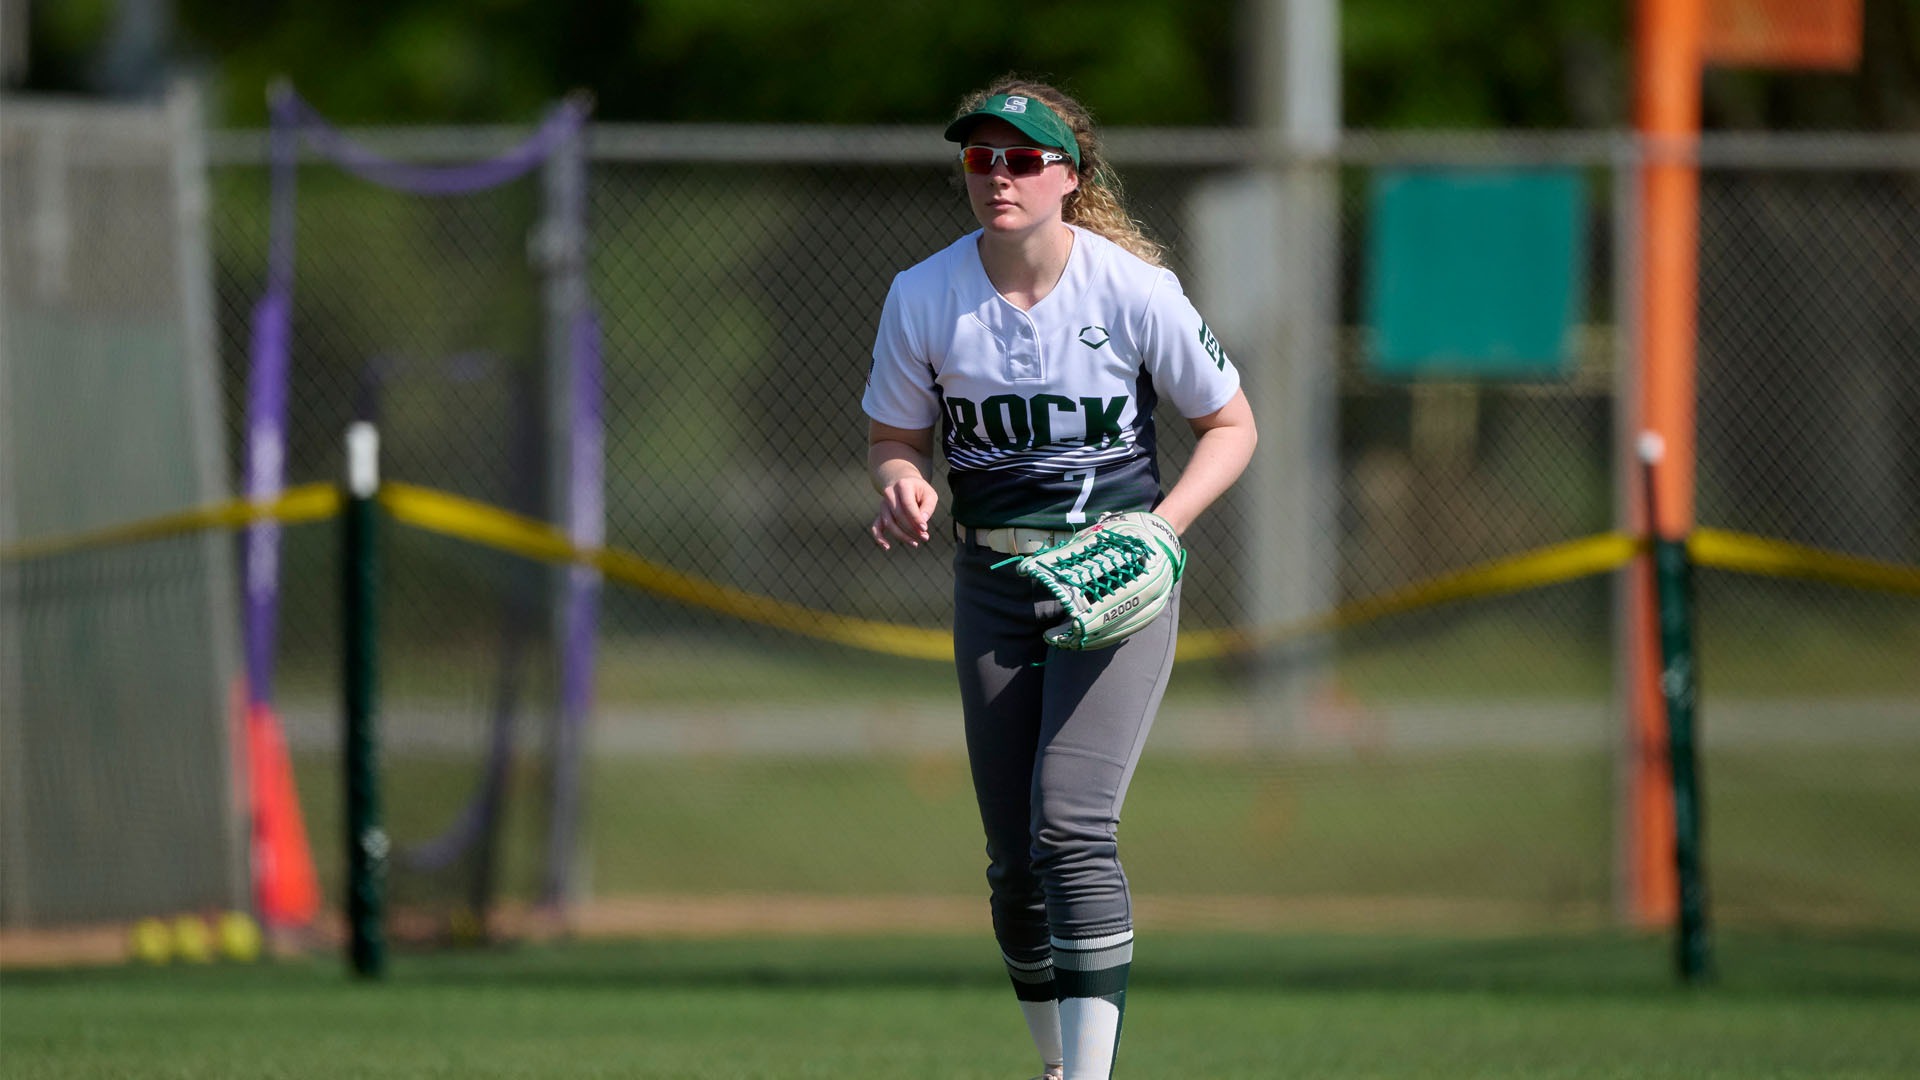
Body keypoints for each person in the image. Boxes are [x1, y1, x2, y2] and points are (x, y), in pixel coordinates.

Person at [862, 76, 1257, 1080]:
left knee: (1072, 825)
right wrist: (903, 482)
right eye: (980, 157)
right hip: (993, 581)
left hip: (1113, 578)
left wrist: (1163, 530)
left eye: (1023, 159)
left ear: (1070, 176)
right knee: (1014, 862)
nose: (998, 175)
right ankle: (1051, 1064)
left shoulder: (1133, 290)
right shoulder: (924, 294)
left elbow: (1231, 424)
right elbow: (894, 439)